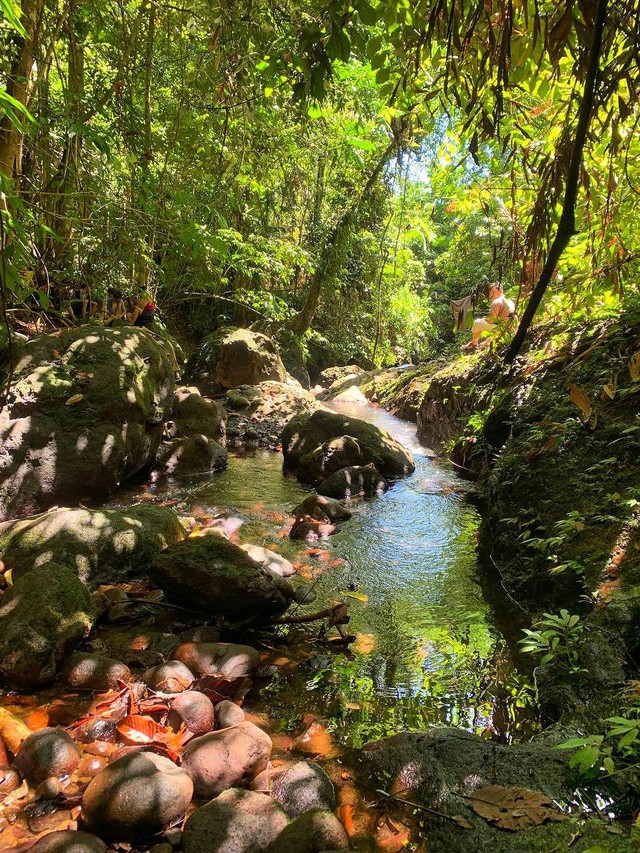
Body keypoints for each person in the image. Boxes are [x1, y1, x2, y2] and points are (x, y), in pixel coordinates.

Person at [464, 282, 515, 350]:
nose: (492, 295)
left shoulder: (496, 302)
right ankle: (481, 343)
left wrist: (485, 319)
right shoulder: (510, 300)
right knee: (493, 328)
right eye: (491, 293)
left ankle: (474, 344)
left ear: (500, 290)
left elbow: (492, 321)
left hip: (502, 329)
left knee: (477, 322)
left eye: (493, 292)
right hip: (510, 328)